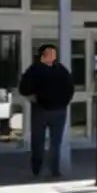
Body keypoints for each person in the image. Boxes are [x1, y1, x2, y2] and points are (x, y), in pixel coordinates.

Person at [19, 43, 75, 177]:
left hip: (59, 111)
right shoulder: (34, 69)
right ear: (43, 55)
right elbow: (24, 88)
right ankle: (37, 168)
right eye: (50, 52)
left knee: (56, 142)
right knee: (38, 140)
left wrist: (64, 102)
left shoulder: (61, 70)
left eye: (54, 53)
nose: (53, 55)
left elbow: (70, 88)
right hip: (41, 110)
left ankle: (55, 169)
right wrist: (33, 97)